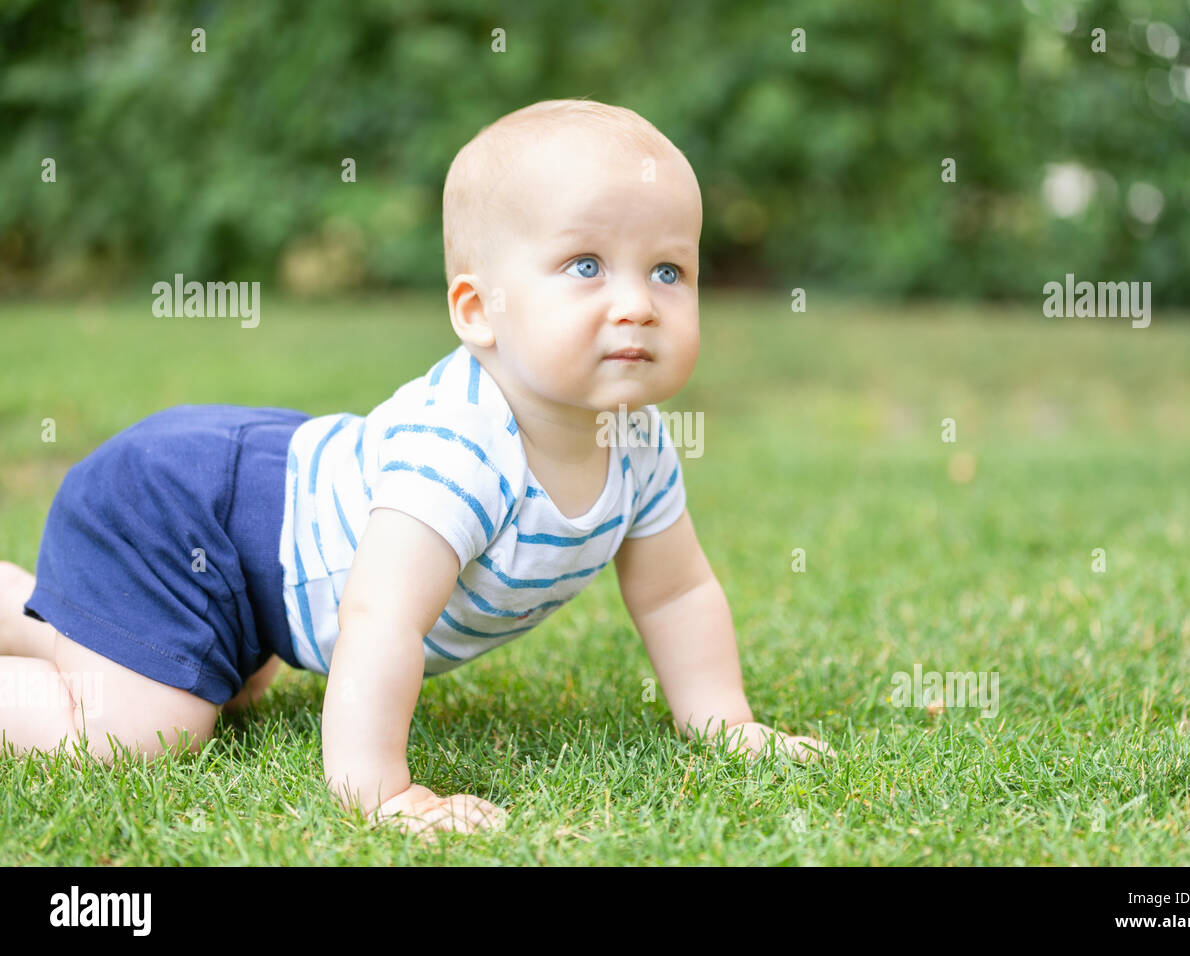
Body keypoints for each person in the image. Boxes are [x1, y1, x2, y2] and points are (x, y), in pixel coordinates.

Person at [0, 98, 835, 838]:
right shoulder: (463, 447)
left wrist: (726, 721)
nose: (638, 302)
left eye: (669, 269)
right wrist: (380, 790)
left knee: (232, 686)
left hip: (267, 541)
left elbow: (676, 591)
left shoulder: (641, 442)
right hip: (185, 510)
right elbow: (379, 620)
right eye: (586, 266)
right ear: (479, 311)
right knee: (151, 729)